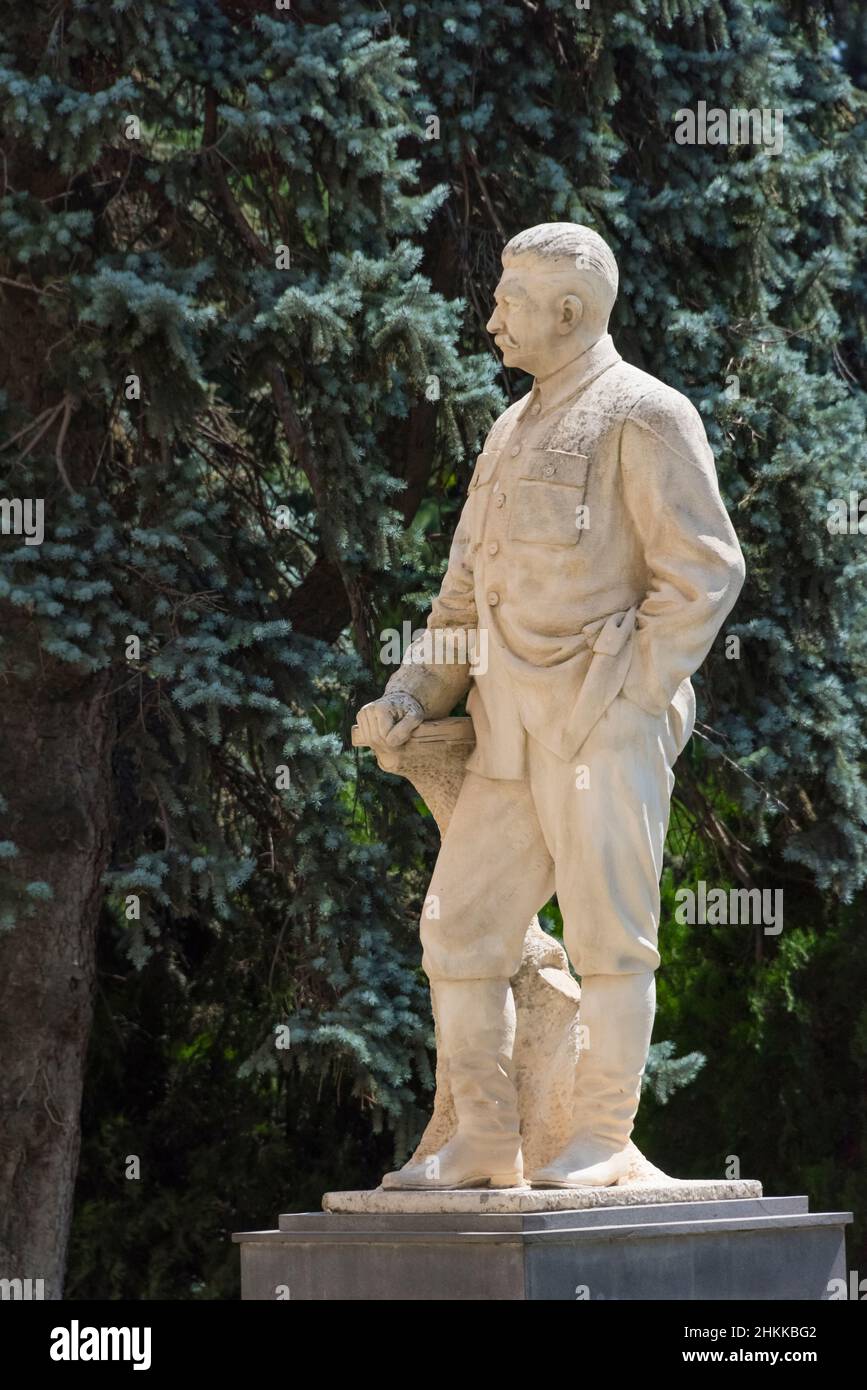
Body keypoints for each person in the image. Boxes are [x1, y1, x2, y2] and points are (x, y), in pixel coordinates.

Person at [356, 223, 745, 1189]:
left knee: (614, 938)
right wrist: (412, 694)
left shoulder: (643, 415)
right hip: (505, 732)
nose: (491, 317)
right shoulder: (506, 428)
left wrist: (634, 699)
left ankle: (602, 1140)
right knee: (457, 929)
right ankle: (486, 1142)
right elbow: (461, 597)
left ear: (568, 313)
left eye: (510, 300)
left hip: (599, 721)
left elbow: (703, 572)